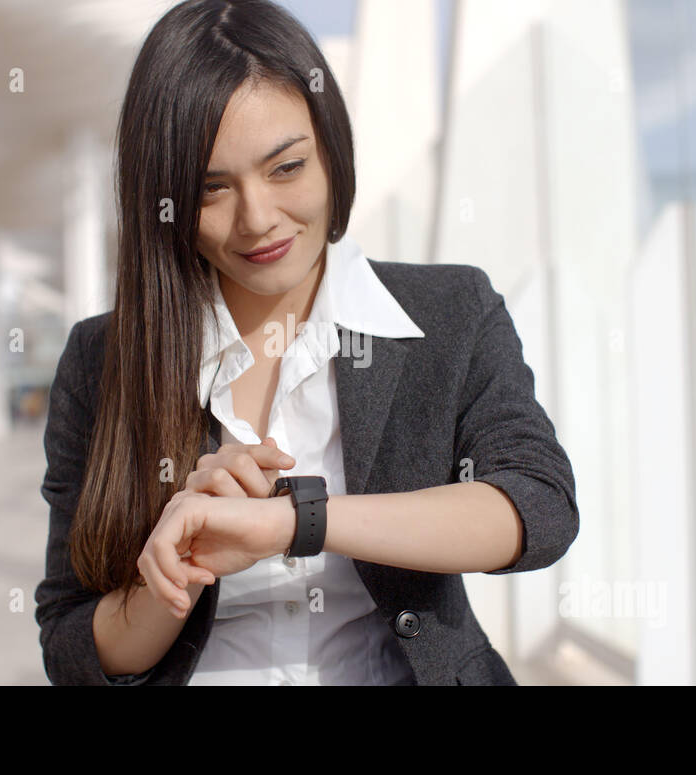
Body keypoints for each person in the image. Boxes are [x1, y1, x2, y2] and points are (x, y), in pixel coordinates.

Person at [34, 0, 579, 686]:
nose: (259, 219)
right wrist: (172, 576)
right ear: (163, 198)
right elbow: (70, 647)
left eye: (285, 167)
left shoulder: (449, 313)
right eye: (211, 188)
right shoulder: (102, 361)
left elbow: (540, 504)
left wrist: (297, 522)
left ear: (329, 149)